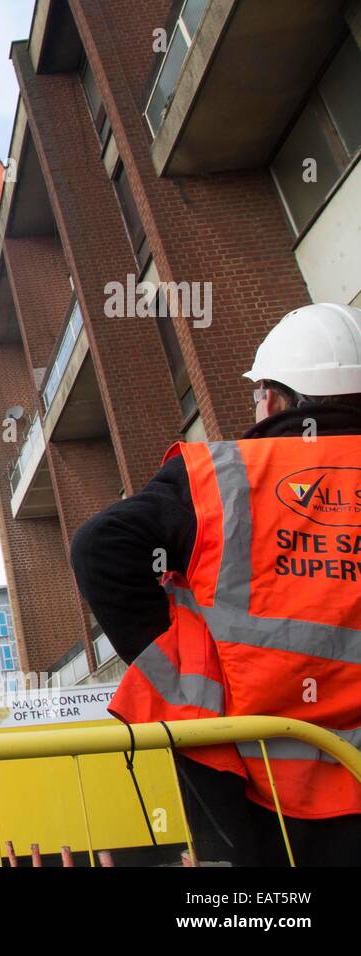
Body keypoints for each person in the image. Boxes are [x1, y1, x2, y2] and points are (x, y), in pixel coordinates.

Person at [71, 302, 361, 866]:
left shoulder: (222, 475)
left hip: (261, 787)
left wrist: (187, 685)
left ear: (274, 399)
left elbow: (101, 548)